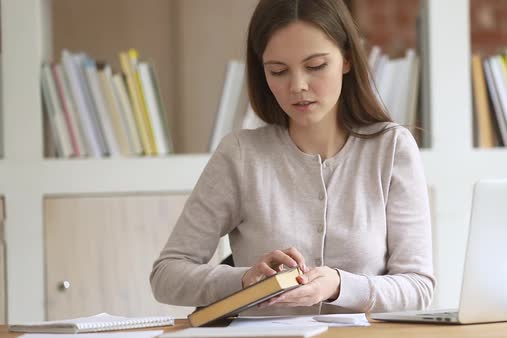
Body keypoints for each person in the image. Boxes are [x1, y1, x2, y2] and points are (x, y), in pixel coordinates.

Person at [150, 0, 435, 315]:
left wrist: (340, 285)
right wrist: (245, 280)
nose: (297, 86)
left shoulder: (391, 148)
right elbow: (166, 275)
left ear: (347, 59)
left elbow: (419, 287)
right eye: (278, 71)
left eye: (315, 66)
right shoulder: (241, 155)